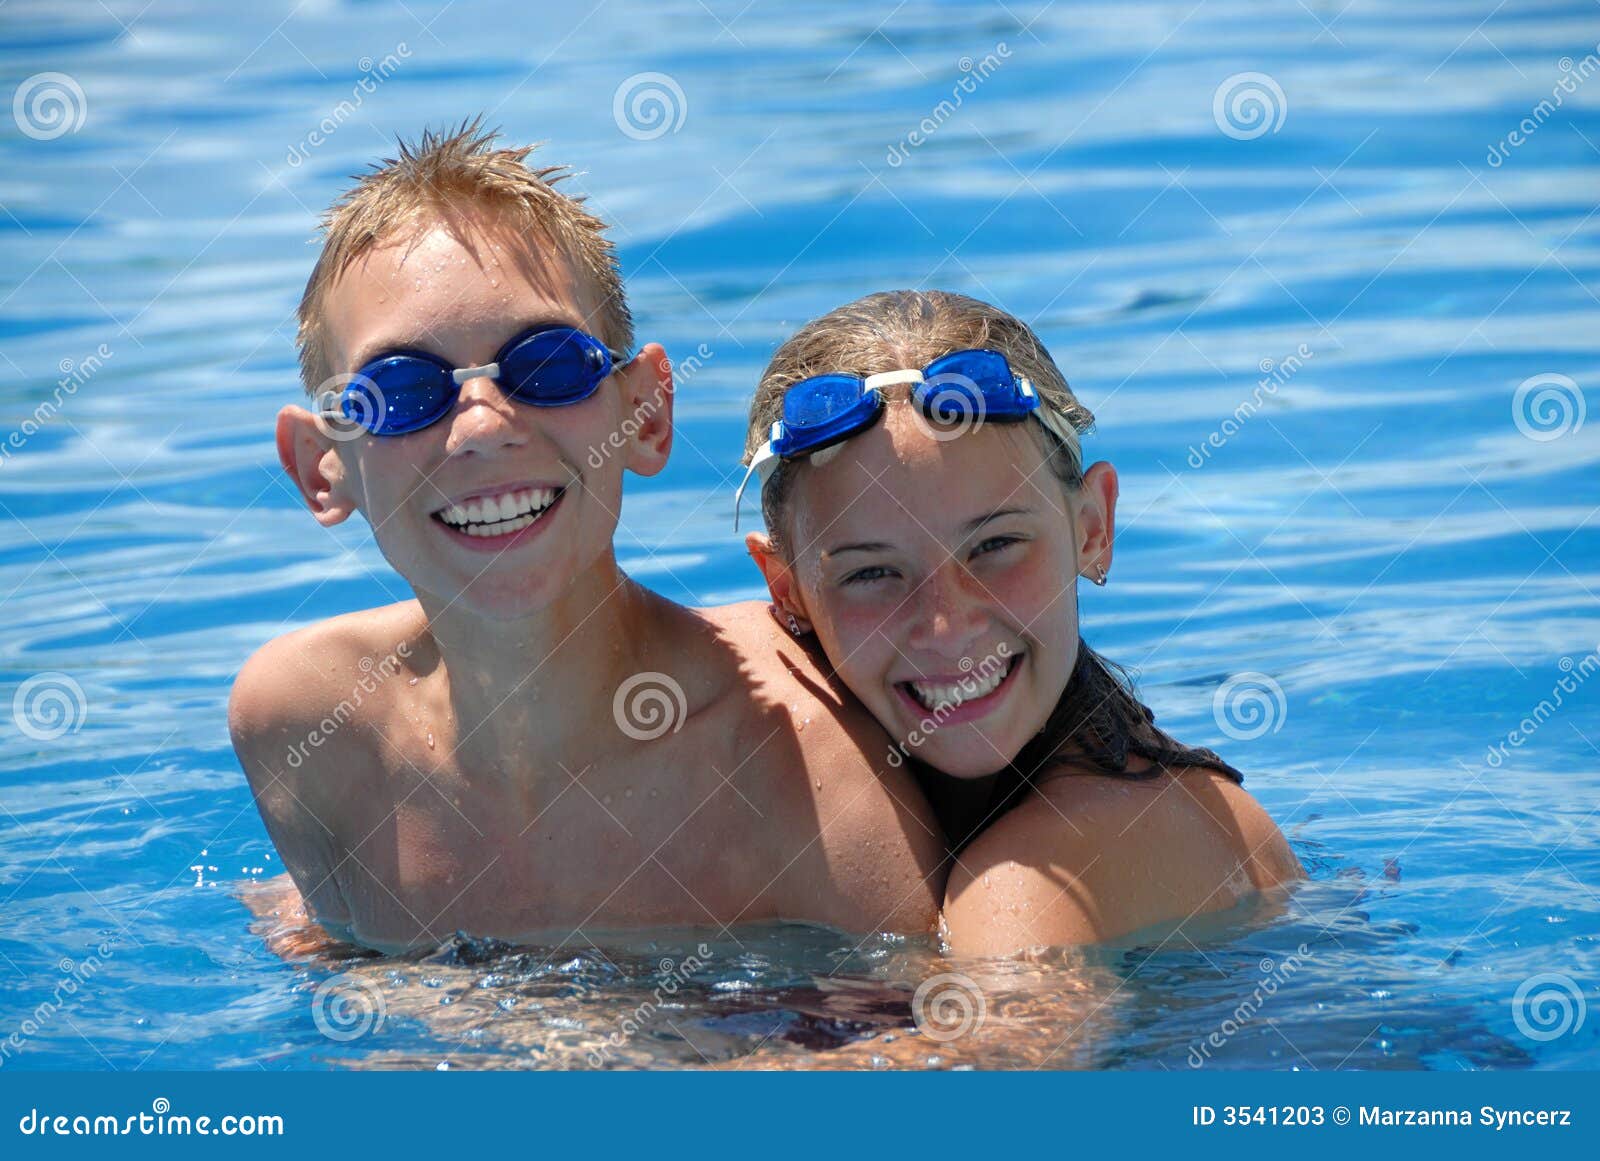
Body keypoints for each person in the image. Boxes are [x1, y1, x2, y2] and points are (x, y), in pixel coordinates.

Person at [227, 122, 943, 954]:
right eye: (403, 388)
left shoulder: (807, 773)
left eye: (547, 365)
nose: (483, 427)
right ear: (322, 466)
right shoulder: (304, 731)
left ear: (646, 413)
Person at [740, 290, 1304, 956]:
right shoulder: (1159, 792)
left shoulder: (1028, 892)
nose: (946, 627)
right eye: (872, 573)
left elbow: (1002, 1055)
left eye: (993, 547)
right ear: (788, 589)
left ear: (1093, 527)